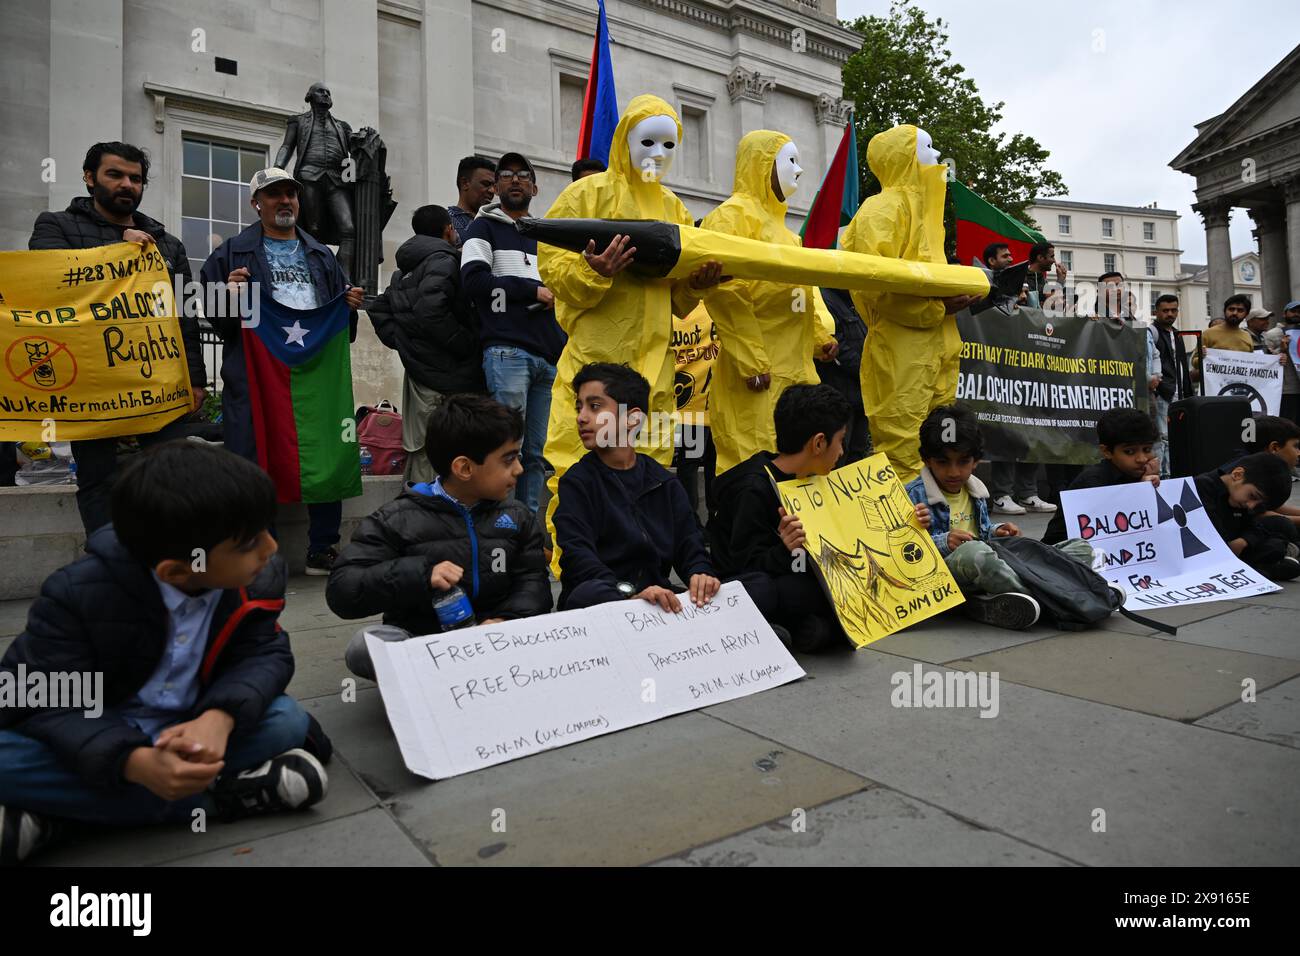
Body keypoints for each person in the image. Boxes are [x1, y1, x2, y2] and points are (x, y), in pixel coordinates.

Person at [0, 442, 328, 865]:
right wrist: (132, 762)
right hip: (100, 731)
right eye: (248, 542)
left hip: (190, 730)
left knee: (287, 720)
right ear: (176, 570)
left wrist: (218, 718)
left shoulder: (257, 578)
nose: (269, 549)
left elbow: (265, 655)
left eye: (267, 530)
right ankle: (226, 796)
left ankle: (60, 819)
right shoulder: (76, 595)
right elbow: (41, 700)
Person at [537, 94, 726, 573]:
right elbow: (556, 272)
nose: (657, 153)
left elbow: (676, 298)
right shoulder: (586, 195)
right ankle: (576, 574)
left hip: (658, 377)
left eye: (668, 143)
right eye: (648, 141)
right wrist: (595, 271)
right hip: (595, 370)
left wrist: (695, 287)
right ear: (625, 140)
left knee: (653, 467)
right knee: (576, 466)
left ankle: (646, 568)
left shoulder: (676, 209)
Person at [28, 141, 208, 535]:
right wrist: (117, 253)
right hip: (91, 382)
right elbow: (49, 285)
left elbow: (184, 316)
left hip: (154, 379)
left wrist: (195, 379)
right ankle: (108, 566)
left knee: (172, 473)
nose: (127, 184)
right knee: (98, 479)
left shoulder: (167, 243)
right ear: (90, 178)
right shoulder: (54, 225)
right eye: (115, 175)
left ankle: (167, 560)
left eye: (136, 178)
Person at [198, 167, 365, 575]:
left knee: (327, 450)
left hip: (315, 370)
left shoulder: (321, 253)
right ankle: (264, 552)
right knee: (254, 454)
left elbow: (342, 320)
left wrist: (349, 304)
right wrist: (229, 297)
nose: (285, 201)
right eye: (274, 195)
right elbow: (217, 318)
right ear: (257, 203)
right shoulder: (230, 253)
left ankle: (323, 549)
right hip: (257, 370)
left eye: (291, 193)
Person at [327, 394, 551, 680]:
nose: (519, 469)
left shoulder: (517, 516)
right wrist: (421, 574)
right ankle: (435, 677)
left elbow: (533, 584)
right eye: (508, 460)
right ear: (464, 468)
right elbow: (343, 590)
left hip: (496, 640)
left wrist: (506, 621)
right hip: (423, 641)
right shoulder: (395, 518)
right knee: (364, 647)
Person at [552, 363, 777, 624]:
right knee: (585, 594)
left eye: (594, 406)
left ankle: (712, 629)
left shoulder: (662, 481)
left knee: (760, 586)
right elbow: (578, 558)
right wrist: (629, 594)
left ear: (633, 418)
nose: (581, 417)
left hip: (659, 600)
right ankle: (724, 631)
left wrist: (700, 574)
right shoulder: (577, 482)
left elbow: (689, 545)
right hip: (609, 600)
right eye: (579, 406)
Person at [707, 384, 925, 651]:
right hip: (753, 583)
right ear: (819, 443)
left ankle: (803, 630)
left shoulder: (820, 480)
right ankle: (778, 628)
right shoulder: (753, 489)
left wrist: (904, 520)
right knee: (785, 591)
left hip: (797, 576)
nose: (843, 452)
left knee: (837, 586)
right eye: (841, 441)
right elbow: (744, 568)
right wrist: (785, 549)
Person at [840, 126, 978, 483]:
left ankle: (941, 529)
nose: (936, 156)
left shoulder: (928, 213)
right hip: (901, 351)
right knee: (902, 447)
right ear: (902, 157)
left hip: (937, 347)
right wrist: (938, 308)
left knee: (942, 442)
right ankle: (903, 534)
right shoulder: (882, 209)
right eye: (927, 147)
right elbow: (875, 286)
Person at [699, 130, 839, 476]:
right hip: (757, 376)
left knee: (801, 461)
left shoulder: (790, 235)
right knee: (753, 462)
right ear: (763, 166)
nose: (799, 171)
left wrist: (820, 338)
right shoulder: (731, 217)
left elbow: (801, 294)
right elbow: (725, 293)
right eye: (790, 161)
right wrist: (751, 361)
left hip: (796, 370)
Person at [903, 406, 1091, 630]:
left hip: (991, 564)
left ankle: (1025, 594)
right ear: (926, 460)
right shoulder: (912, 495)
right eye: (943, 462)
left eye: (962, 462)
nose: (953, 472)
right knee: (975, 553)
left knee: (1082, 547)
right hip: (950, 575)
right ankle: (1058, 596)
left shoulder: (976, 490)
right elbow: (905, 553)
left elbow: (979, 531)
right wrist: (944, 542)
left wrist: (997, 530)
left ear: (976, 461)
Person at [461, 152, 567, 513]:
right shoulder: (482, 228)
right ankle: (499, 528)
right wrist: (530, 291)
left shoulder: (547, 237)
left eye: (523, 175)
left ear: (535, 187)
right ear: (497, 186)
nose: (516, 180)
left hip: (547, 357)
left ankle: (526, 532)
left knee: (537, 454)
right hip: (507, 352)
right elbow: (473, 282)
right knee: (507, 448)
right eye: (506, 174)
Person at [367, 204, 483, 483]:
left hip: (420, 374)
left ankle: (421, 515)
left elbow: (379, 308)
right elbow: (432, 310)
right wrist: (466, 343)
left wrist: (406, 344)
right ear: (448, 230)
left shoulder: (402, 271)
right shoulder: (445, 260)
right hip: (448, 374)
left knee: (423, 449)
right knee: (448, 450)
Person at [1042, 408, 1160, 544]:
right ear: (1107, 451)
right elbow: (1112, 528)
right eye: (1130, 451)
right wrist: (1138, 492)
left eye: (1147, 450)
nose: (1141, 458)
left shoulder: (1142, 475)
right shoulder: (1092, 482)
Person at [1195, 453, 1299, 581]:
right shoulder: (1203, 486)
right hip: (1211, 552)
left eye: (1258, 503)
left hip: (1236, 547)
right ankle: (1259, 570)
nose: (1251, 505)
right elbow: (1211, 534)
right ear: (1237, 475)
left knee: (1277, 540)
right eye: (1253, 496)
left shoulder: (1242, 500)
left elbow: (1255, 526)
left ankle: (1259, 568)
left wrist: (1244, 540)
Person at [816, 288, 871, 466]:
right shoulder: (825, 298)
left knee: (857, 454)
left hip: (861, 396)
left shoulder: (855, 297)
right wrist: (869, 372)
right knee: (837, 456)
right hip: (840, 397)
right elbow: (839, 348)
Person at [1149, 294, 1194, 477]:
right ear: (1156, 311)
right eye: (1165, 310)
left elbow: (1181, 365)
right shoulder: (1151, 332)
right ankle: (1163, 476)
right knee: (1162, 437)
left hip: (1179, 393)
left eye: (1173, 310)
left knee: (1175, 437)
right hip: (1163, 393)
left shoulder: (1177, 334)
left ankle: (1171, 474)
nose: (1170, 314)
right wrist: (1159, 386)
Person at [1245, 415, 1300, 533]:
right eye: (1295, 446)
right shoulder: (1251, 475)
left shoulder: (1264, 469)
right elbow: (1260, 516)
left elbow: (1270, 507)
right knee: (1283, 527)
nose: (1298, 453)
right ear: (1274, 448)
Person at [1193, 294, 1253, 377]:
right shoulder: (1208, 334)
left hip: (1240, 386)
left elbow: (1252, 365)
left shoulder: (1247, 336)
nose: (1235, 313)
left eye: (1240, 310)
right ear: (1224, 311)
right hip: (1214, 387)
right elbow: (1194, 363)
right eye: (1231, 309)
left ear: (1246, 314)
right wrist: (1202, 357)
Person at [1263, 300, 1300, 427]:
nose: (1297, 314)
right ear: (1285, 314)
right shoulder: (1273, 334)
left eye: (1299, 312)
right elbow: (1264, 359)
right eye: (1293, 311)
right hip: (1286, 388)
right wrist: (1282, 349)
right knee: (1288, 425)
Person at [448, 156, 496, 242]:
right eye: (486, 184)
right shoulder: (445, 222)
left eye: (494, 186)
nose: (492, 191)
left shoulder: (497, 223)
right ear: (465, 183)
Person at [1025, 241, 1067, 306]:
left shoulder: (1044, 281)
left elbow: (1051, 303)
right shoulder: (1022, 278)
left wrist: (1060, 279)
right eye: (1052, 257)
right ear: (1040, 258)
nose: (1053, 261)